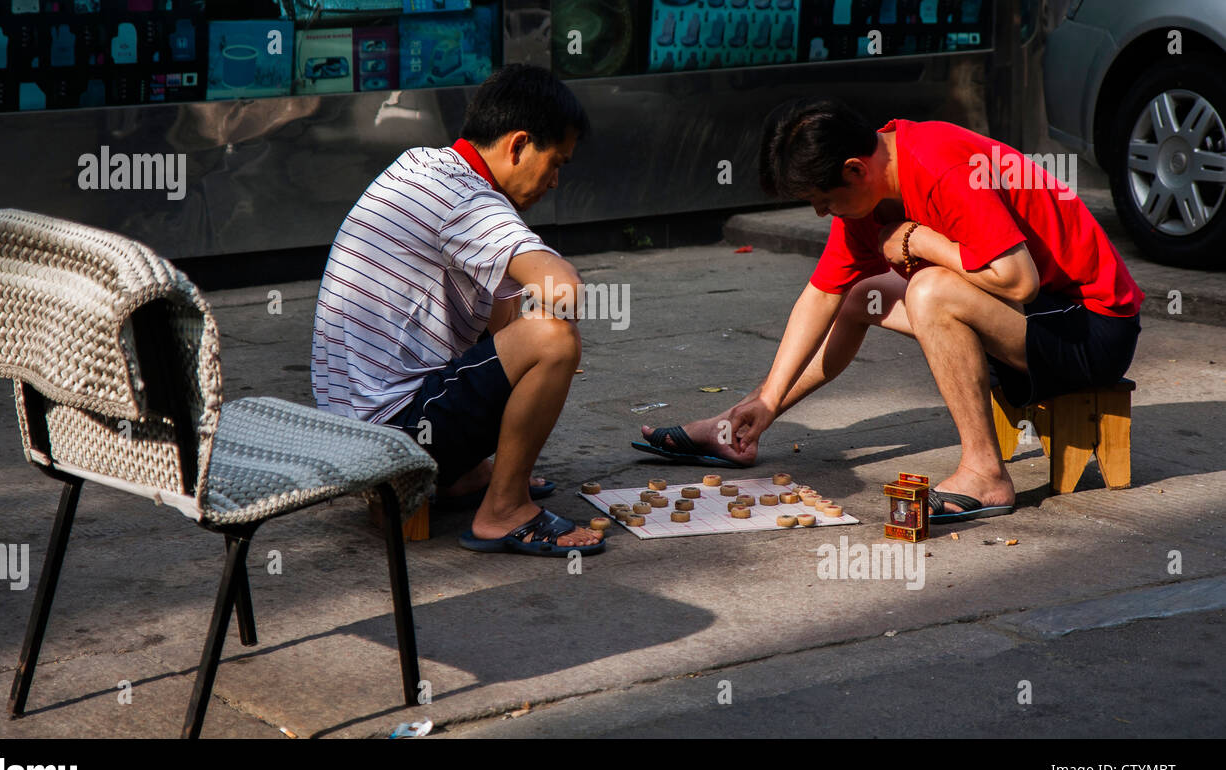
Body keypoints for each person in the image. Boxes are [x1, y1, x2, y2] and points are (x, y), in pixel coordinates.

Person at [639, 98, 1143, 521]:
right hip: (1035, 321)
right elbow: (821, 296)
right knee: (864, 297)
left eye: (822, 201)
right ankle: (739, 426)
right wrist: (768, 399)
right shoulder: (871, 190)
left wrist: (923, 241)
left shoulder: (939, 164)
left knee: (929, 291)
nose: (821, 214)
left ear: (854, 170)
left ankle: (986, 473)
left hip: (1092, 328)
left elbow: (1017, 279)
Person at [312, 64, 604, 554]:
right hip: (388, 441)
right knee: (554, 338)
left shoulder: (422, 164)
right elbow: (564, 289)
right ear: (518, 145)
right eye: (555, 163)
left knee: (510, 317)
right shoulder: (468, 199)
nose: (555, 181)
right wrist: (550, 336)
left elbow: (500, 313)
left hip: (349, 428)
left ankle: (467, 475)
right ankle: (505, 511)